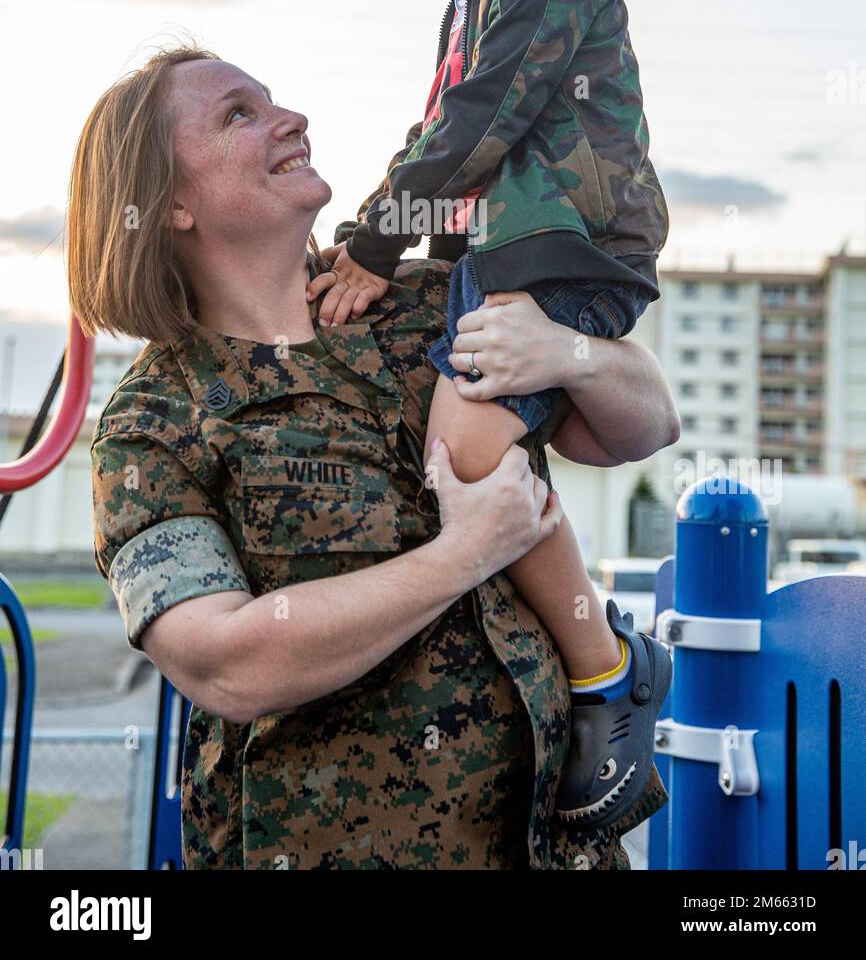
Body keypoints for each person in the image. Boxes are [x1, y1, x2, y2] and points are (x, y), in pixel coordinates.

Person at [72, 45, 679, 870]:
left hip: (551, 851)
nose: (293, 120)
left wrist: (568, 354)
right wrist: (466, 553)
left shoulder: (428, 300)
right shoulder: (154, 424)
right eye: (238, 115)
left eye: (273, 99)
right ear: (169, 201)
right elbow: (228, 664)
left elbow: (641, 426)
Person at [309, 0, 673, 820]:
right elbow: (442, 120)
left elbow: (478, 120)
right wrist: (398, 243)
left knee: (466, 449)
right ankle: (592, 656)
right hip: (506, 247)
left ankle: (606, 670)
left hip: (572, 245)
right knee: (458, 446)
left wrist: (375, 241)